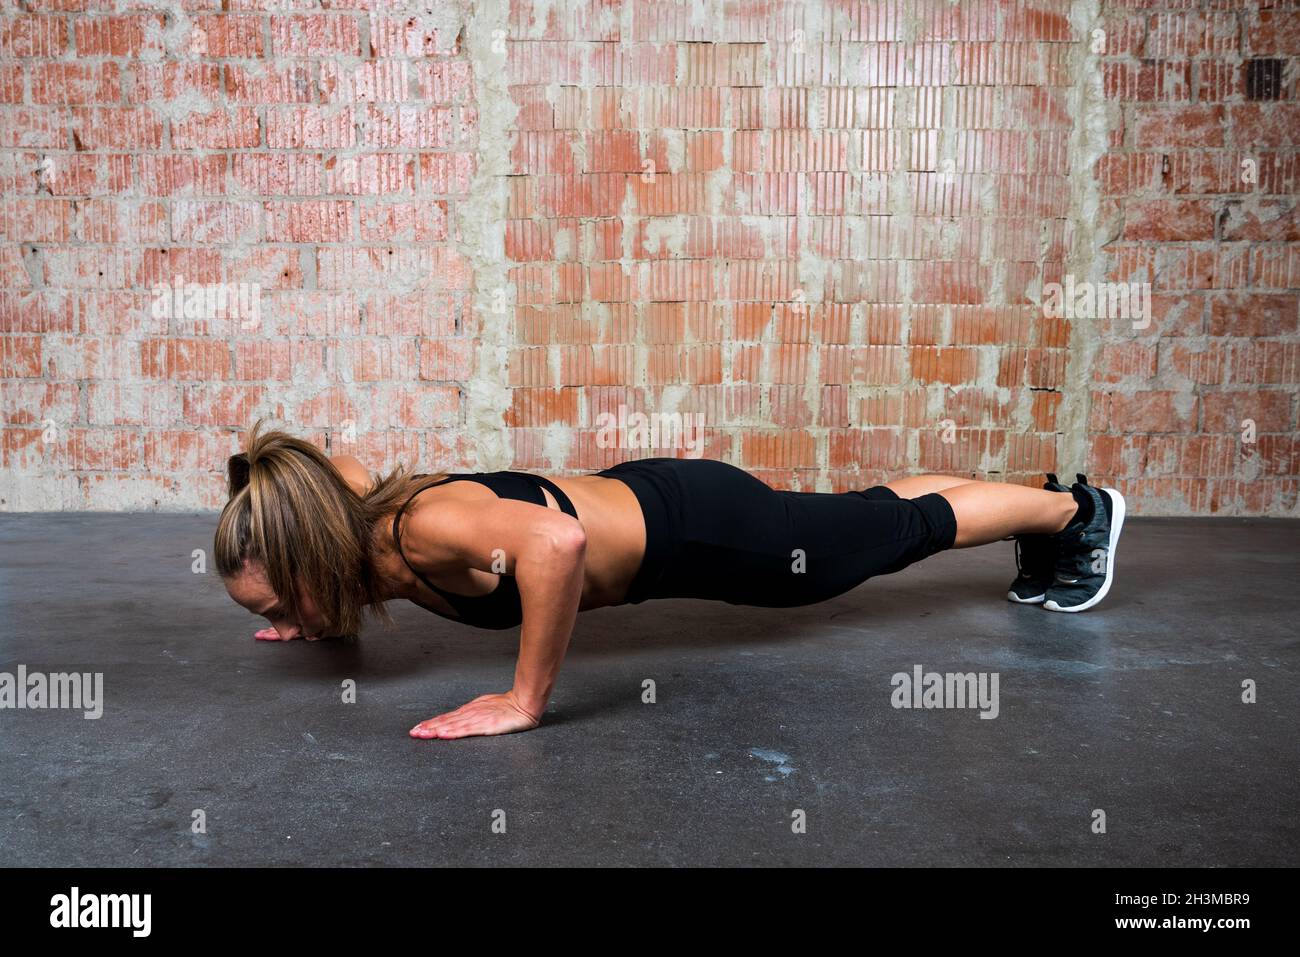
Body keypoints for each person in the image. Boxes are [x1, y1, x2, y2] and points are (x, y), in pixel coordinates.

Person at [216, 419, 1125, 740]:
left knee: (895, 533)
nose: (291, 618)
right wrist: (313, 614)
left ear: (314, 559)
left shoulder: (423, 525)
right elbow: (305, 484)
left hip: (705, 532)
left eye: (284, 599)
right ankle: (1033, 504)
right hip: (660, 497)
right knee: (873, 514)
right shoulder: (350, 519)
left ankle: (1077, 513)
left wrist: (525, 700)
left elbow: (557, 547)